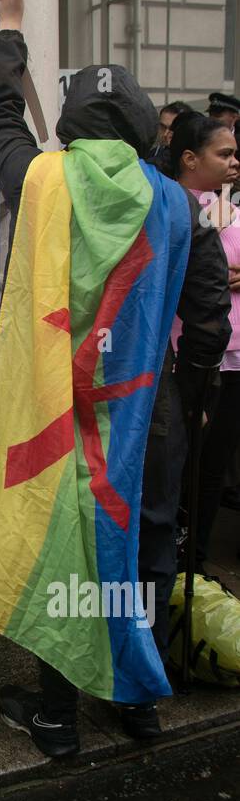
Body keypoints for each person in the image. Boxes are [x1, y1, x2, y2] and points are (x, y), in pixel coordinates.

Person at [0, 0, 231, 757]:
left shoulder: (43, 180)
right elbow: (210, 318)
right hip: (147, 412)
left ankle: (55, 718)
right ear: (144, 131)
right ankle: (137, 702)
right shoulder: (179, 204)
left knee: (68, 547)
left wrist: (8, 22)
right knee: (147, 544)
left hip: (62, 411)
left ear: (77, 125)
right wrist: (178, 395)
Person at [168, 112, 240, 568]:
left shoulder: (225, 205)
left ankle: (195, 561)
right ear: (191, 159)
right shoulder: (171, 205)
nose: (234, 161)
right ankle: (171, 558)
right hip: (187, 355)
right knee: (181, 465)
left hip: (232, 356)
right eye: (225, 153)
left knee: (213, 465)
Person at [149, 100, 193, 174]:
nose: (165, 134)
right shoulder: (151, 154)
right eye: (162, 127)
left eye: (173, 129)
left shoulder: (194, 162)